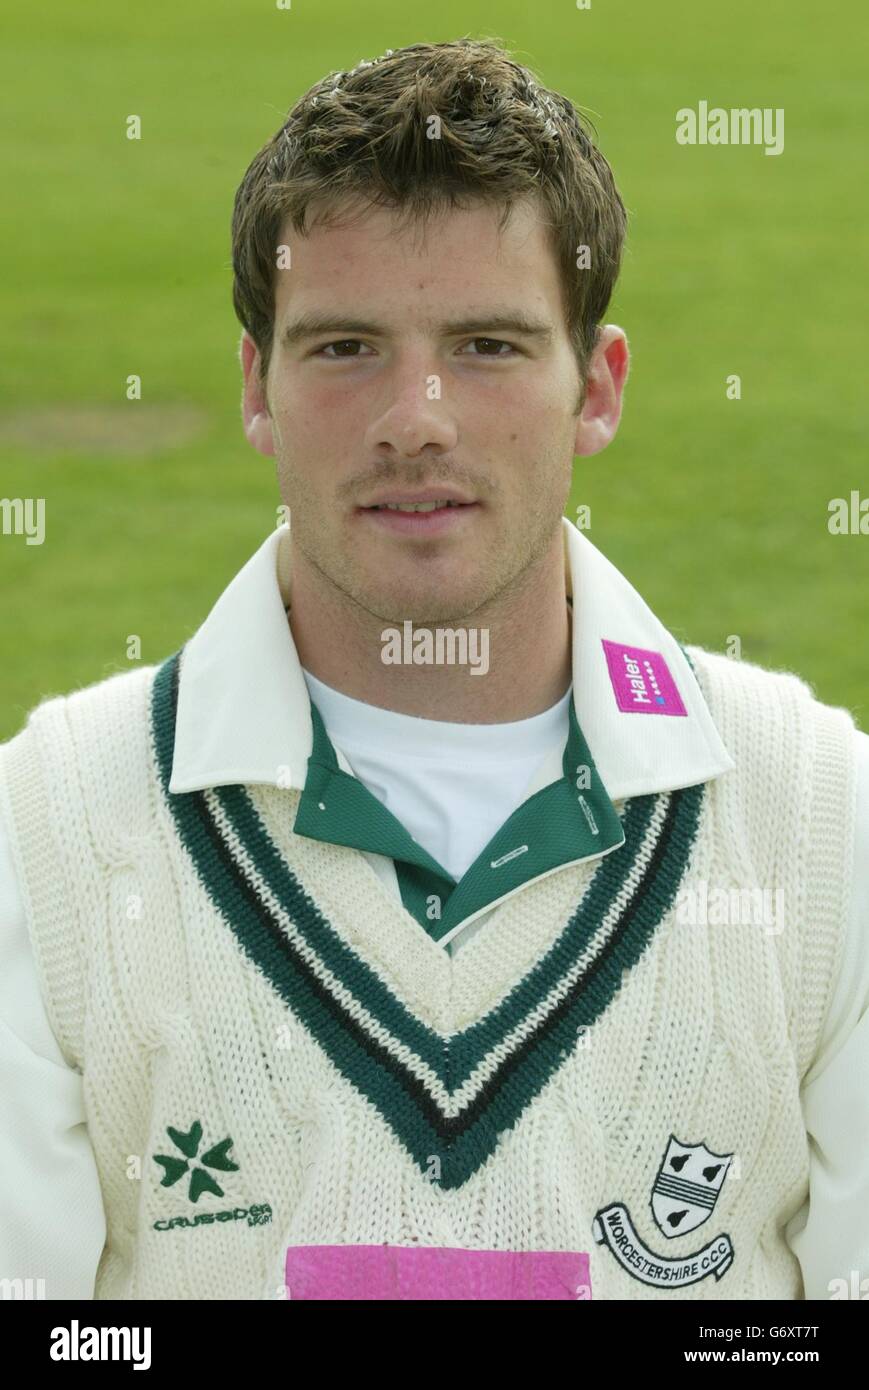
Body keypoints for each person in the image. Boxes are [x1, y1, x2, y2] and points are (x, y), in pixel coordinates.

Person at [1, 38, 866, 1302]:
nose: (417, 416)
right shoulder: (44, 832)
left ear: (597, 389)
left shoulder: (826, 820)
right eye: (346, 346)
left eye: (488, 346)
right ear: (257, 385)